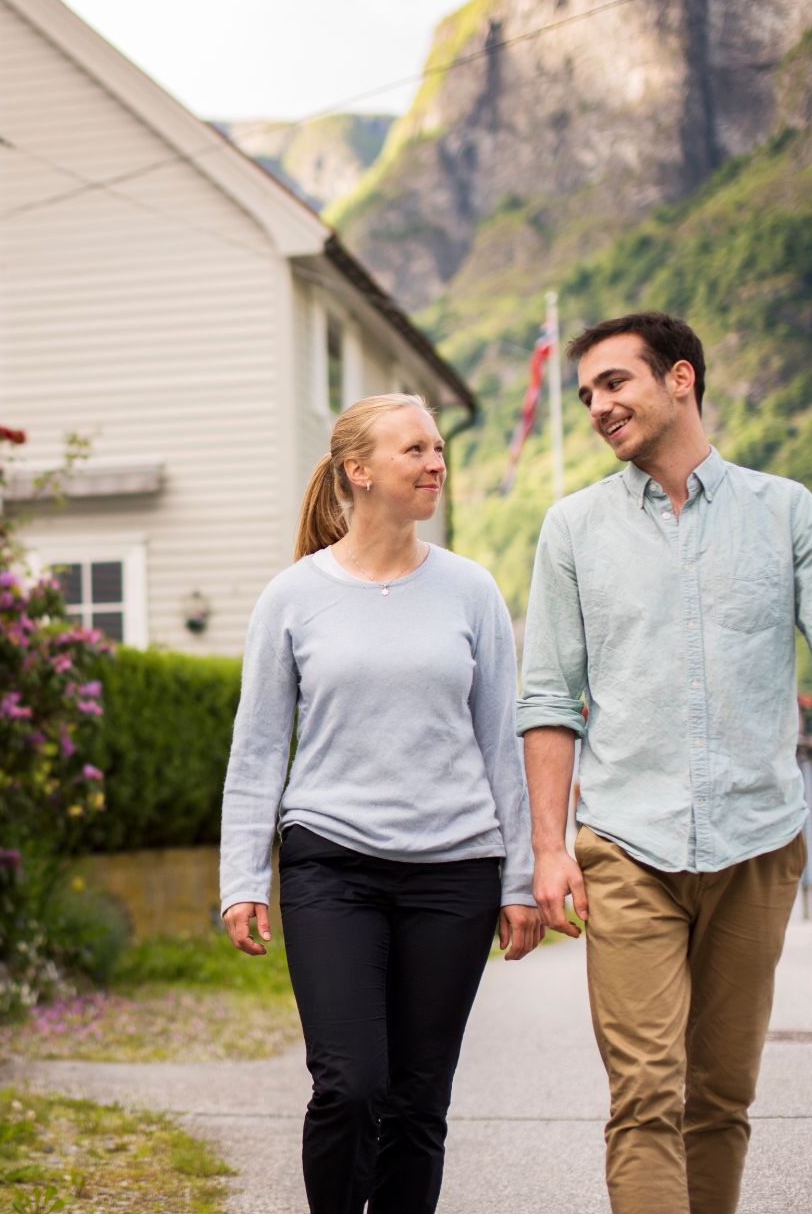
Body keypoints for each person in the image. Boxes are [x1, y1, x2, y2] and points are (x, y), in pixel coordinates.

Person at [517, 312, 812, 1214]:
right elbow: (547, 702)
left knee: (720, 1099)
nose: (598, 407)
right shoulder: (572, 529)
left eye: (615, 384)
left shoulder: (785, 510)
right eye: (586, 395)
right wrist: (548, 846)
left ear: (680, 379)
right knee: (646, 1096)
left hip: (758, 844)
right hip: (625, 845)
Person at [219, 393, 544, 1214]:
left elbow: (501, 743)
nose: (435, 462)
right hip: (333, 864)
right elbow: (258, 750)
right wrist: (243, 878)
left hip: (456, 872)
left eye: (438, 448)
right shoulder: (292, 597)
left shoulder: (471, 591)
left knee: (416, 1103)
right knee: (351, 1086)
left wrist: (519, 880)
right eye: (414, 450)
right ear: (358, 471)